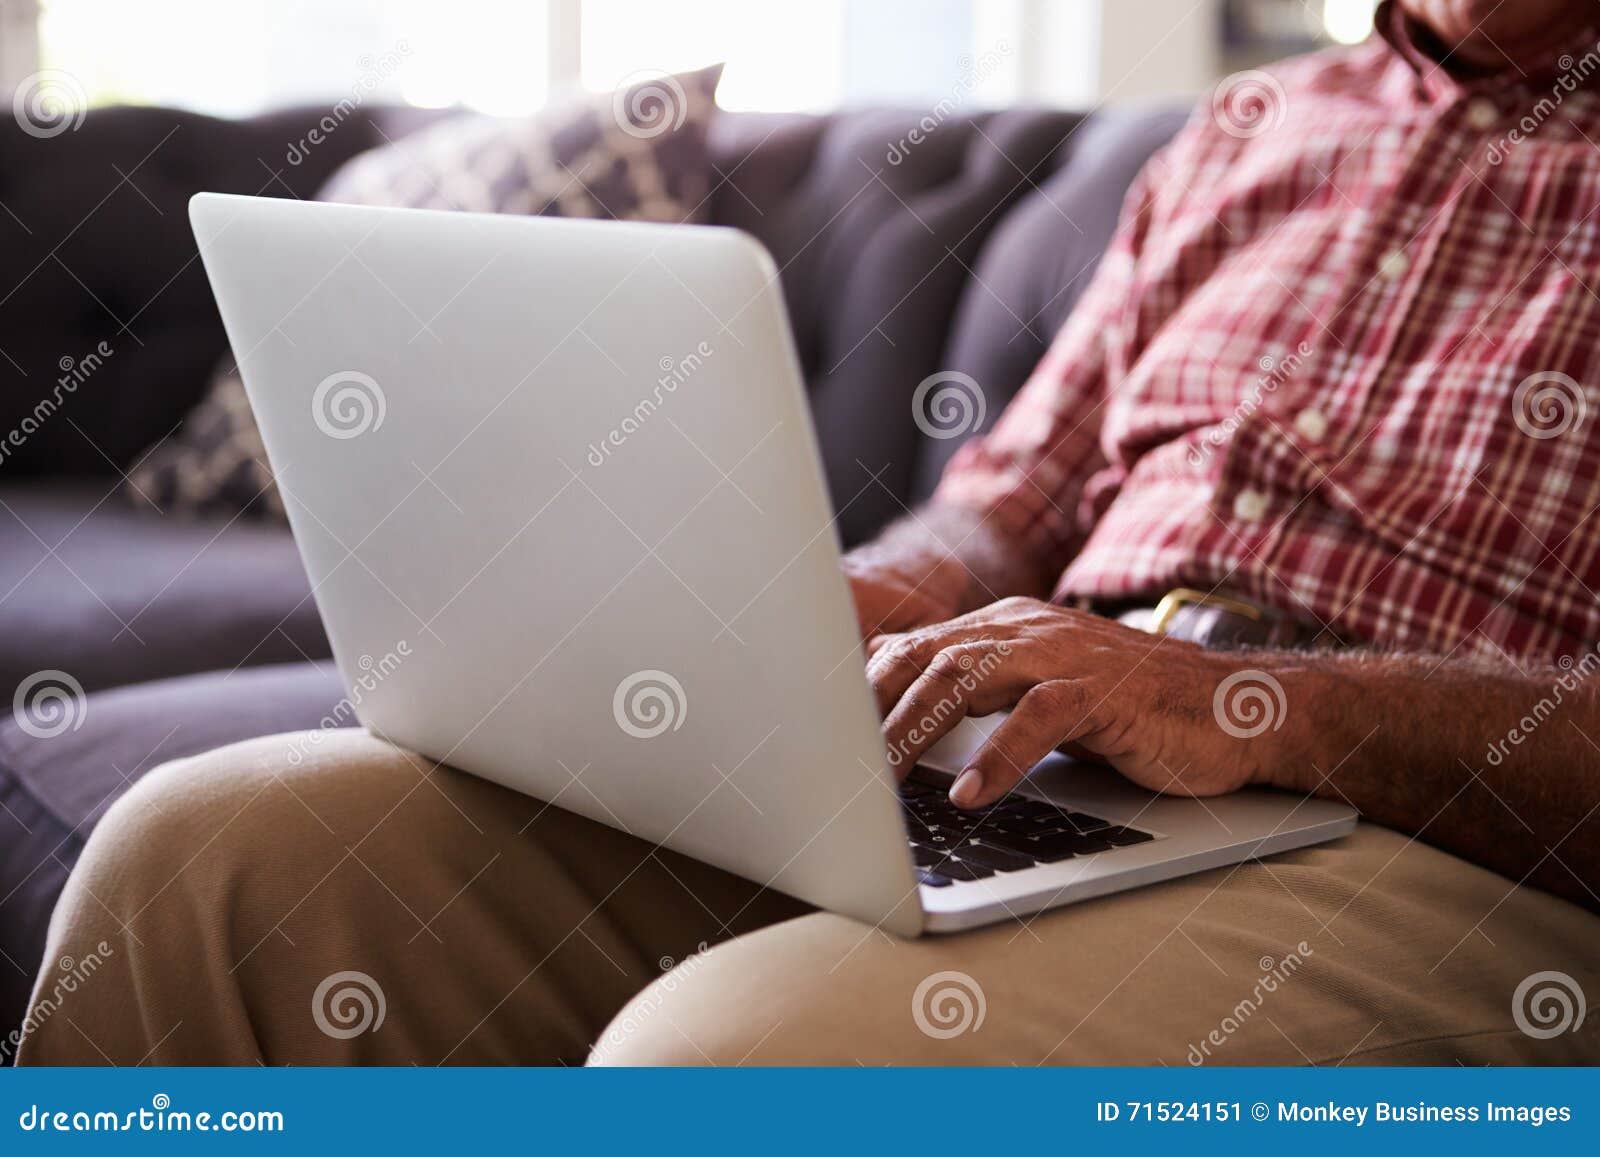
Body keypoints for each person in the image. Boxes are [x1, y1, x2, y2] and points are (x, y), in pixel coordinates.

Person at [18, 0, 1600, 1066]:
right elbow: (1009, 500)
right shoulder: (1258, 129)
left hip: (1448, 840)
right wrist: (843, 595)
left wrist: (1275, 711)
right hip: (1063, 758)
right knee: (205, 865)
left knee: (725, 1065)